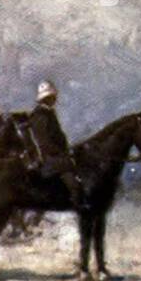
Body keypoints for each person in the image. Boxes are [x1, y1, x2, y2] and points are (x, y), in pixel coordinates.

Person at [27, 80, 82, 208]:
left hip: (56, 156)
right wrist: (64, 155)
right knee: (74, 184)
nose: (54, 99)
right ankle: (78, 209)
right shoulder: (41, 116)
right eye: (51, 97)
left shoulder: (47, 113)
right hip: (52, 160)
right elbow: (45, 143)